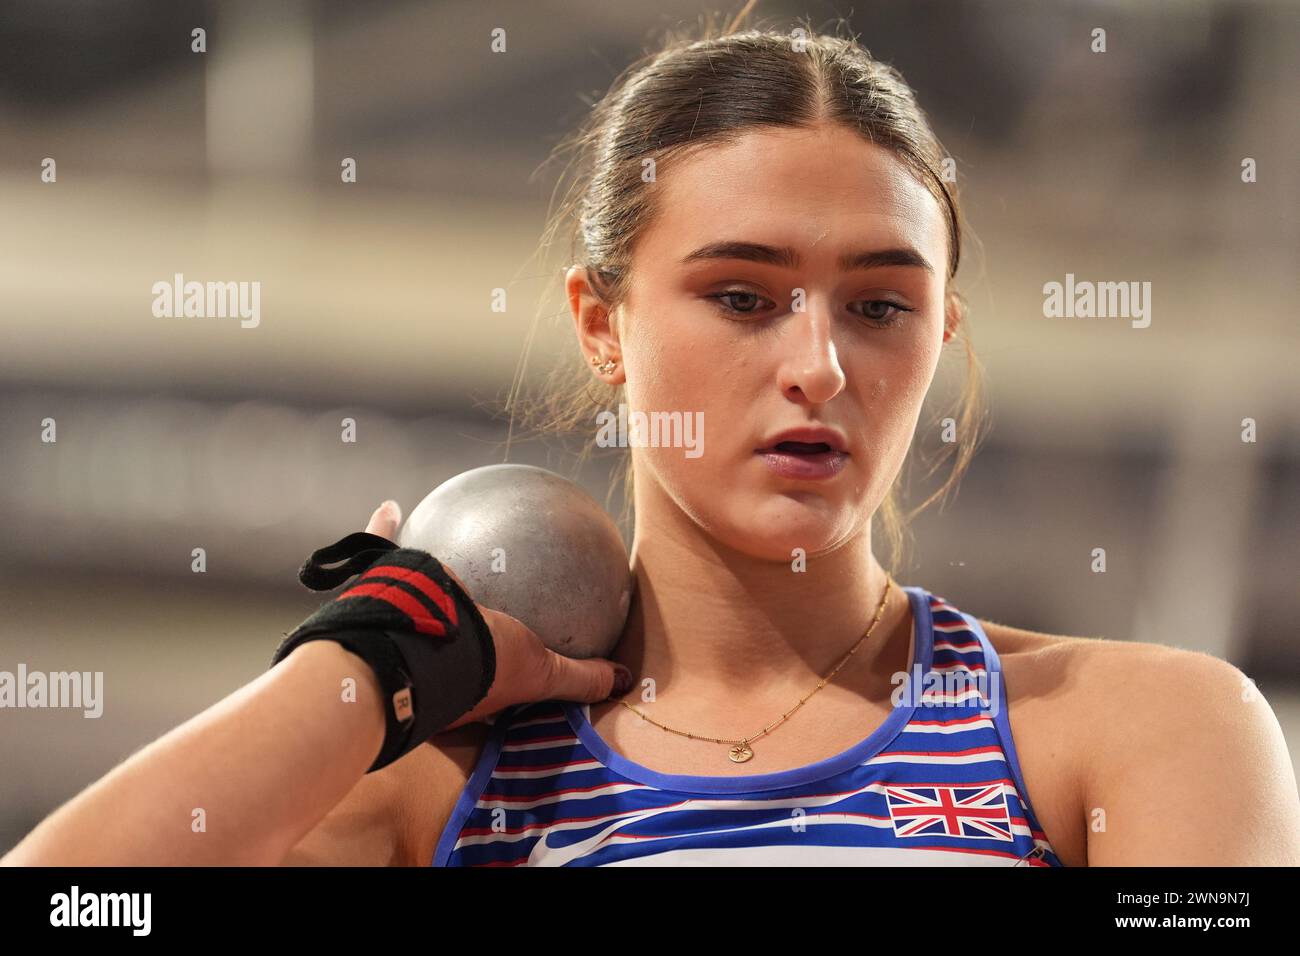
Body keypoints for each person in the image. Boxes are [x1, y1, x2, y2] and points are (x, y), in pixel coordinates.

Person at [6, 17, 1299, 868]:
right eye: (742, 296)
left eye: (881, 304)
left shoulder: (1138, 733)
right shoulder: (430, 778)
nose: (818, 364)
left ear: (942, 335)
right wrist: (356, 670)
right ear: (603, 324)